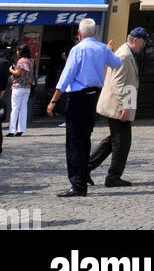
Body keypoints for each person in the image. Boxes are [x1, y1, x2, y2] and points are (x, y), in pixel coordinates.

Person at [47, 18, 123, 198]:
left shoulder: (78, 49)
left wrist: (53, 101)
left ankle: (78, 184)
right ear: (95, 32)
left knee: (74, 142)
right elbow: (117, 64)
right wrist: (109, 52)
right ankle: (81, 179)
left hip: (78, 98)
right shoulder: (102, 48)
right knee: (85, 140)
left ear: (80, 33)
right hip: (92, 99)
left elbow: (66, 76)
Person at [87, 27, 148, 187]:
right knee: (122, 143)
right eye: (143, 41)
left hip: (121, 103)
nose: (144, 45)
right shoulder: (125, 54)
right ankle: (112, 177)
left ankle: (86, 168)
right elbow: (118, 83)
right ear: (135, 39)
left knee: (115, 140)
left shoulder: (126, 53)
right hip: (117, 105)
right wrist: (124, 106)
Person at [8, 45, 34, 136]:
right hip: (27, 87)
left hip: (18, 86)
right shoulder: (31, 61)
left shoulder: (21, 61)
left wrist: (11, 70)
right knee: (23, 108)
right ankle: (21, 129)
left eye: (18, 50)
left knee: (15, 108)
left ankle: (11, 130)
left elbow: (18, 73)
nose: (16, 52)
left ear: (21, 51)